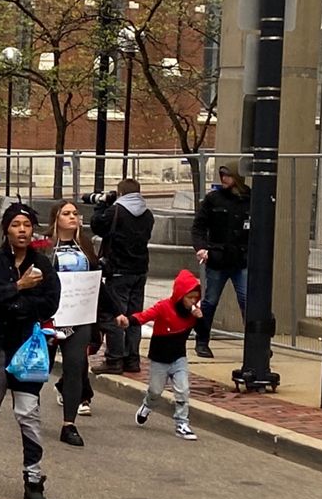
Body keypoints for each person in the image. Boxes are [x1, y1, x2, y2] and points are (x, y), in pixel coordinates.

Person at [0, 203, 61, 499]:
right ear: (6, 229)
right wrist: (19, 287)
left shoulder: (43, 264)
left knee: (28, 413)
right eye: (16, 224)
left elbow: (49, 303)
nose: (23, 230)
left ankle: (33, 479)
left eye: (28, 225)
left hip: (28, 350)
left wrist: (15, 303)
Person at [116, 270, 203, 440]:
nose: (193, 302)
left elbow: (202, 332)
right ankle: (147, 405)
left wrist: (200, 319)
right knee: (156, 390)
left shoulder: (193, 315)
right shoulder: (164, 307)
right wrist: (129, 320)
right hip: (159, 358)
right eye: (189, 297)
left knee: (183, 389)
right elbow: (145, 316)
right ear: (180, 296)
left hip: (179, 357)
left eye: (196, 297)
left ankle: (182, 423)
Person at [43, 200, 98, 448]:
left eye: (75, 213)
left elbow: (96, 279)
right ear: (56, 218)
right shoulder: (45, 245)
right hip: (50, 316)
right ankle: (28, 410)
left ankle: (69, 424)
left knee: (76, 366)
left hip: (79, 315)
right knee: (39, 367)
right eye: (66, 213)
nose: (72, 217)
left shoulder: (84, 245)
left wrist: (115, 311)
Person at [91, 178, 154, 374]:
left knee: (115, 316)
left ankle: (114, 360)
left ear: (120, 193)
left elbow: (96, 225)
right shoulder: (147, 214)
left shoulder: (115, 211)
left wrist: (101, 205)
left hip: (118, 270)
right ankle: (132, 360)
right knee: (134, 317)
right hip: (140, 270)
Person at [190, 162, 250, 358]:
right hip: (217, 259)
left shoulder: (250, 198)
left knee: (247, 300)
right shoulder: (214, 199)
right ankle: (202, 341)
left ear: (237, 178)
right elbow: (198, 226)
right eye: (222, 175)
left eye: (228, 175)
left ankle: (255, 344)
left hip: (241, 260)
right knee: (211, 300)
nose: (224, 178)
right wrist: (201, 248)